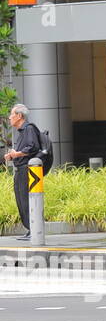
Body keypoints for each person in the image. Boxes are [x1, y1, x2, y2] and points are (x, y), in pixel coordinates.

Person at [4, 103, 42, 241]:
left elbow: (32, 148)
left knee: (26, 200)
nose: (9, 117)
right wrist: (13, 155)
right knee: (21, 200)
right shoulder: (22, 132)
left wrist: (16, 154)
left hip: (27, 170)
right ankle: (30, 228)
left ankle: (34, 229)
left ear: (19, 116)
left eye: (12, 114)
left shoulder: (29, 129)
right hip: (20, 170)